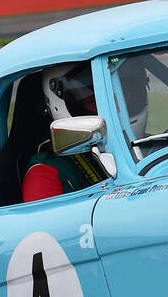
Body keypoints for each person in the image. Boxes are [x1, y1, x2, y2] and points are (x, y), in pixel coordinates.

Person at [22, 63, 108, 202]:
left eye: (125, 90)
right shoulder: (44, 173)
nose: (114, 104)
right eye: (91, 100)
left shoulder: (144, 145)